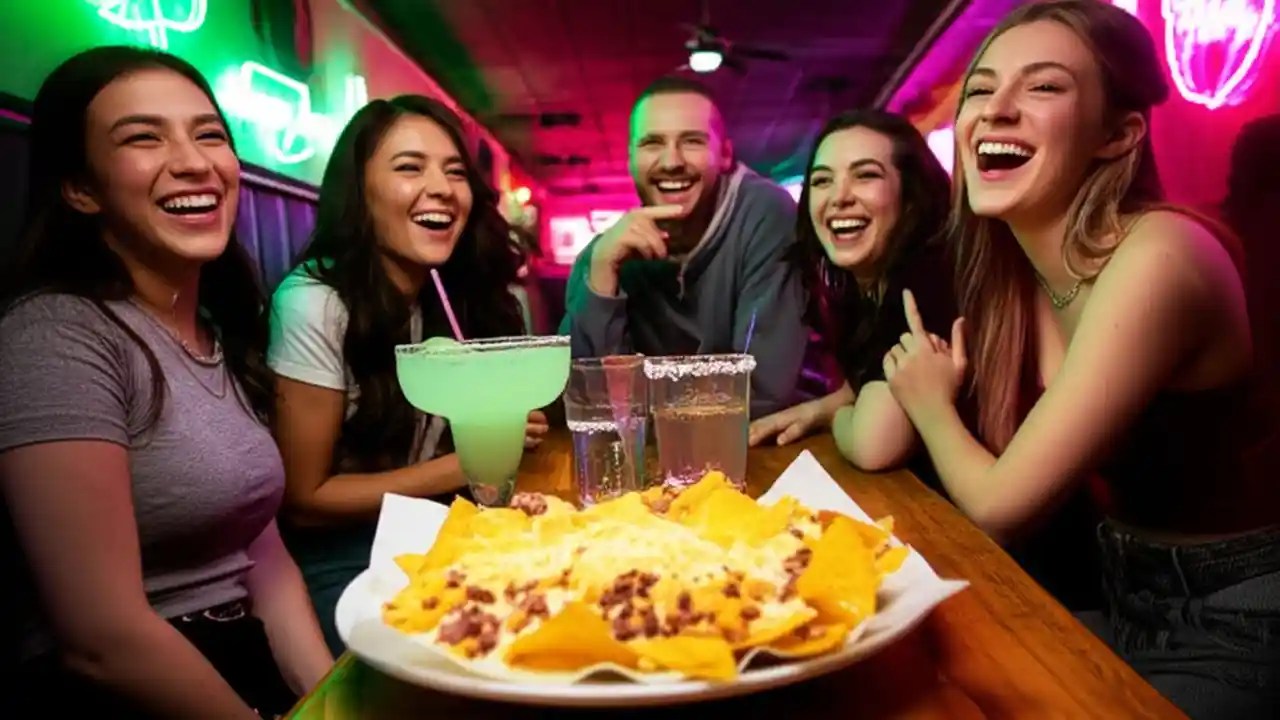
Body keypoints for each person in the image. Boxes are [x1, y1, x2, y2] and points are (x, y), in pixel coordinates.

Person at [882, 2, 1280, 716]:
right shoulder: (1013, 272)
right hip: (1122, 591)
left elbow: (1000, 507)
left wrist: (929, 403)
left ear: (1117, 134)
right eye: (980, 89)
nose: (996, 110)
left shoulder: (1163, 254)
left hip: (1239, 616)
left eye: (1042, 87)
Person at [0, 46, 332, 718]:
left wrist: (332, 702)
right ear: (80, 188)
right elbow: (101, 638)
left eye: (209, 133)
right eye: (143, 137)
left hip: (243, 651)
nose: (194, 161)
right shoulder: (55, 333)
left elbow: (260, 556)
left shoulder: (215, 326)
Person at [267, 95, 546, 654]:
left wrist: (501, 414)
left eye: (455, 171)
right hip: (341, 560)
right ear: (360, 192)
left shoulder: (442, 293)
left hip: (431, 534)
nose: (442, 187)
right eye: (409, 167)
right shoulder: (315, 302)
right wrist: (468, 462)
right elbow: (304, 497)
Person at [559, 76, 806, 418]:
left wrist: (639, 401)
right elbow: (582, 404)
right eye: (652, 143)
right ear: (631, 159)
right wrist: (602, 277)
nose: (672, 161)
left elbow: (761, 389)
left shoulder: (766, 212)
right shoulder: (605, 254)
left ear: (725, 155)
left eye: (692, 141)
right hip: (653, 459)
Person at [747, 109, 955, 470]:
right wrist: (817, 410)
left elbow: (874, 443)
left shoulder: (923, 283)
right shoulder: (868, 288)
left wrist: (836, 417)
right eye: (822, 180)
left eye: (866, 175)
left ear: (910, 197)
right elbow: (874, 382)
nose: (839, 197)